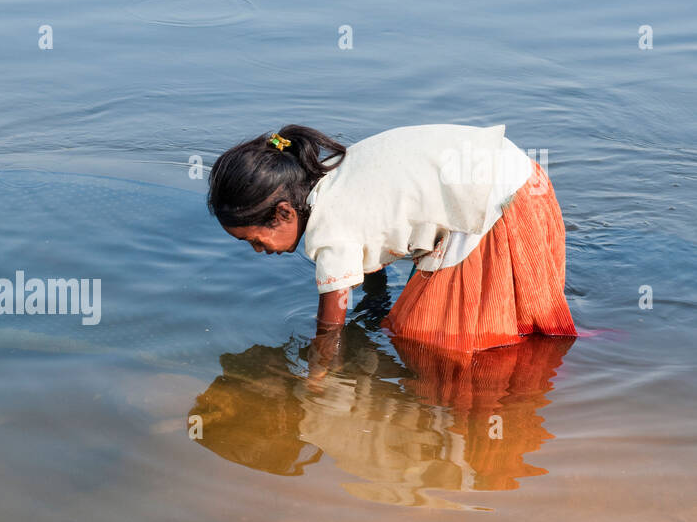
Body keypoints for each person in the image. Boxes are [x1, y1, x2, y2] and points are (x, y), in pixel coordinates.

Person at [206, 123, 577, 358]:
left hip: (491, 201)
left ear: (285, 213)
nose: (259, 250)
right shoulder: (331, 175)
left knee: (427, 341)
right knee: (512, 312)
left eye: (256, 240)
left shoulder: (327, 228)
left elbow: (331, 322)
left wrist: (321, 368)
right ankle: (548, 349)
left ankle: (528, 371)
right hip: (521, 175)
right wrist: (375, 298)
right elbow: (370, 249)